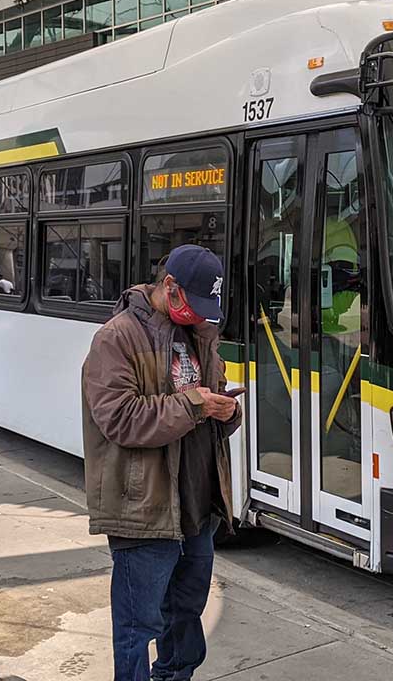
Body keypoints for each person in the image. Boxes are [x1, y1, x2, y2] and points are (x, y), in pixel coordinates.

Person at [82, 244, 242, 681]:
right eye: (195, 303)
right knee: (138, 628)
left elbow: (211, 399)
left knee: (186, 614)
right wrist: (195, 405)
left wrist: (227, 411)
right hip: (145, 510)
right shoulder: (116, 338)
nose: (200, 315)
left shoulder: (200, 335)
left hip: (197, 507)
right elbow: (120, 419)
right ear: (169, 286)